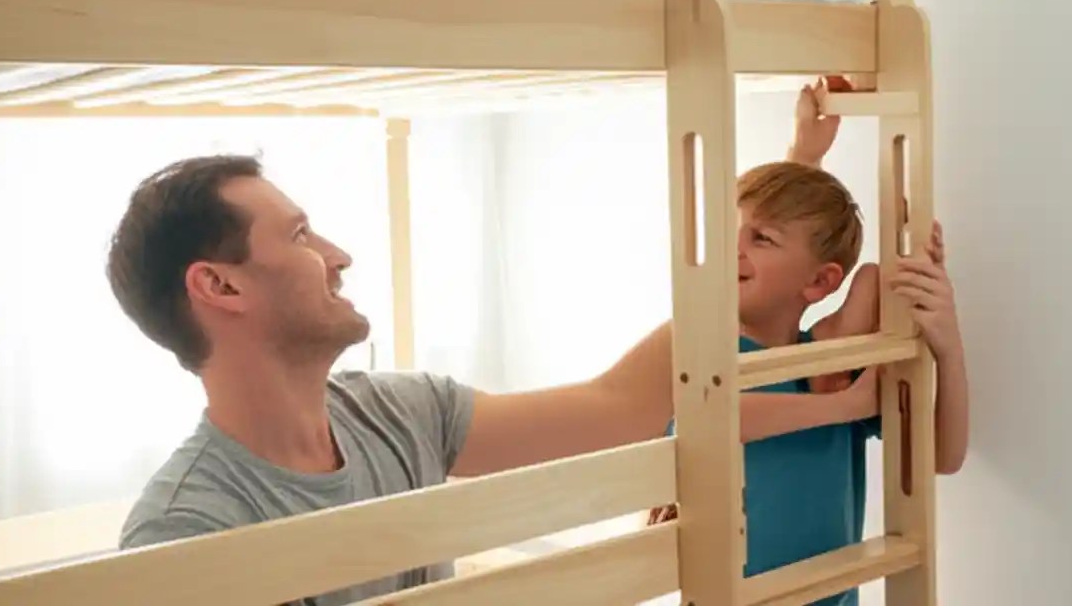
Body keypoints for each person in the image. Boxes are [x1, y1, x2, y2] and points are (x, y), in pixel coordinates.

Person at [105, 131, 884, 604]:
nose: (338, 256)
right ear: (220, 287)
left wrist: (796, 185)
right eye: (301, 235)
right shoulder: (184, 534)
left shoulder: (400, 412)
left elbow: (620, 403)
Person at [650, 76, 969, 606]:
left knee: (875, 280)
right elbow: (718, 416)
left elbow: (944, 454)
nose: (731, 248)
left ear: (821, 283)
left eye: (760, 238)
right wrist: (846, 406)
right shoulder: (702, 355)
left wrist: (946, 345)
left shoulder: (832, 364)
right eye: (729, 230)